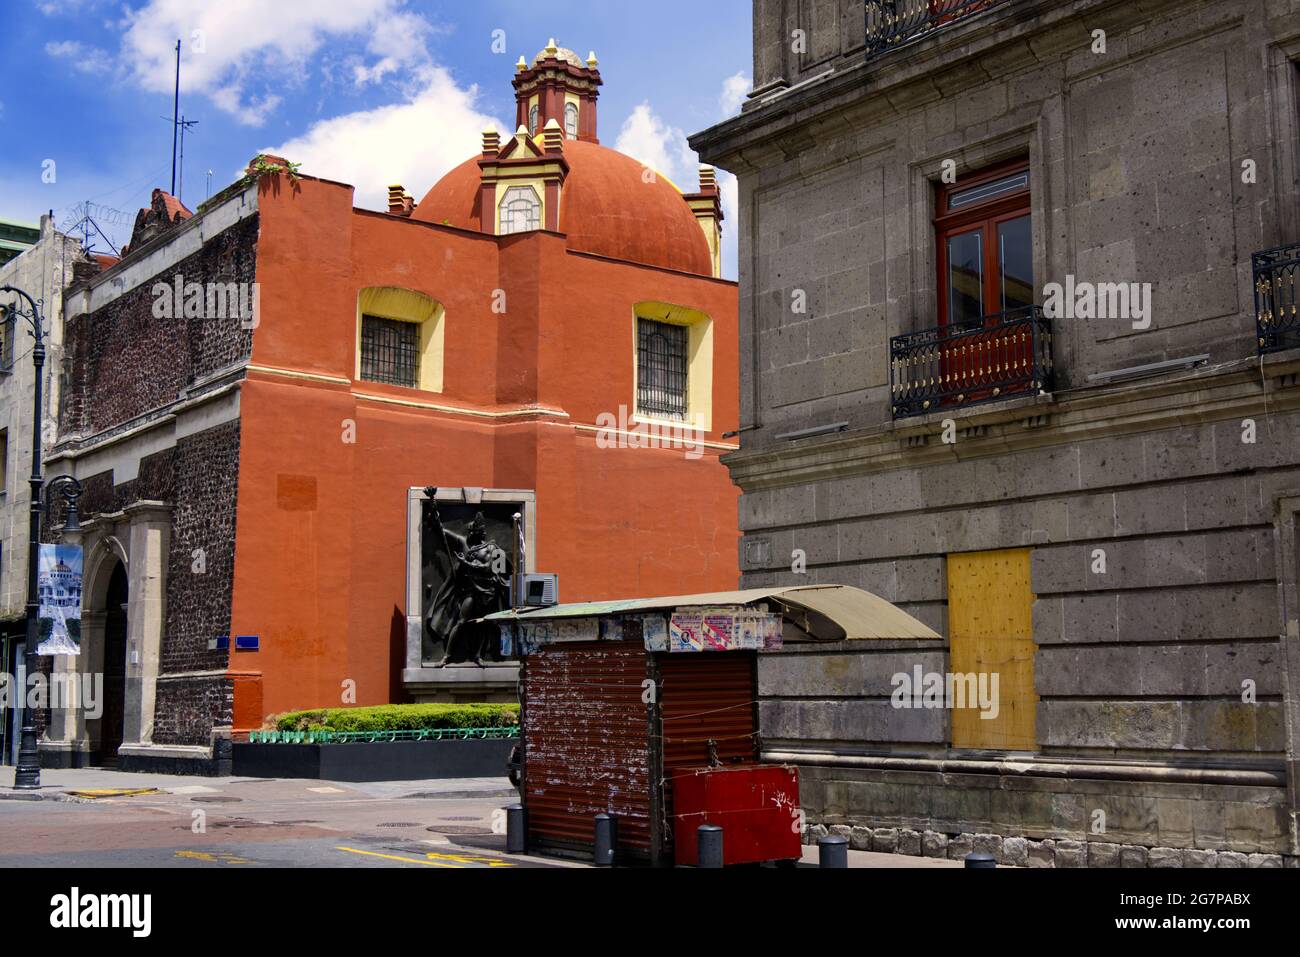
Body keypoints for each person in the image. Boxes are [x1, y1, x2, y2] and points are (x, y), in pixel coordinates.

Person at [423, 489, 513, 666]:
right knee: (462, 621)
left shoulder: (493, 549)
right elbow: (441, 531)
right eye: (470, 530)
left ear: (481, 532)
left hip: (489, 592)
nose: (470, 532)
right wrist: (433, 506)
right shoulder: (464, 543)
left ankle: (478, 656)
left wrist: (466, 564)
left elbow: (491, 569)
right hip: (471, 592)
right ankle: (447, 657)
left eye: (473, 530)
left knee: (484, 625)